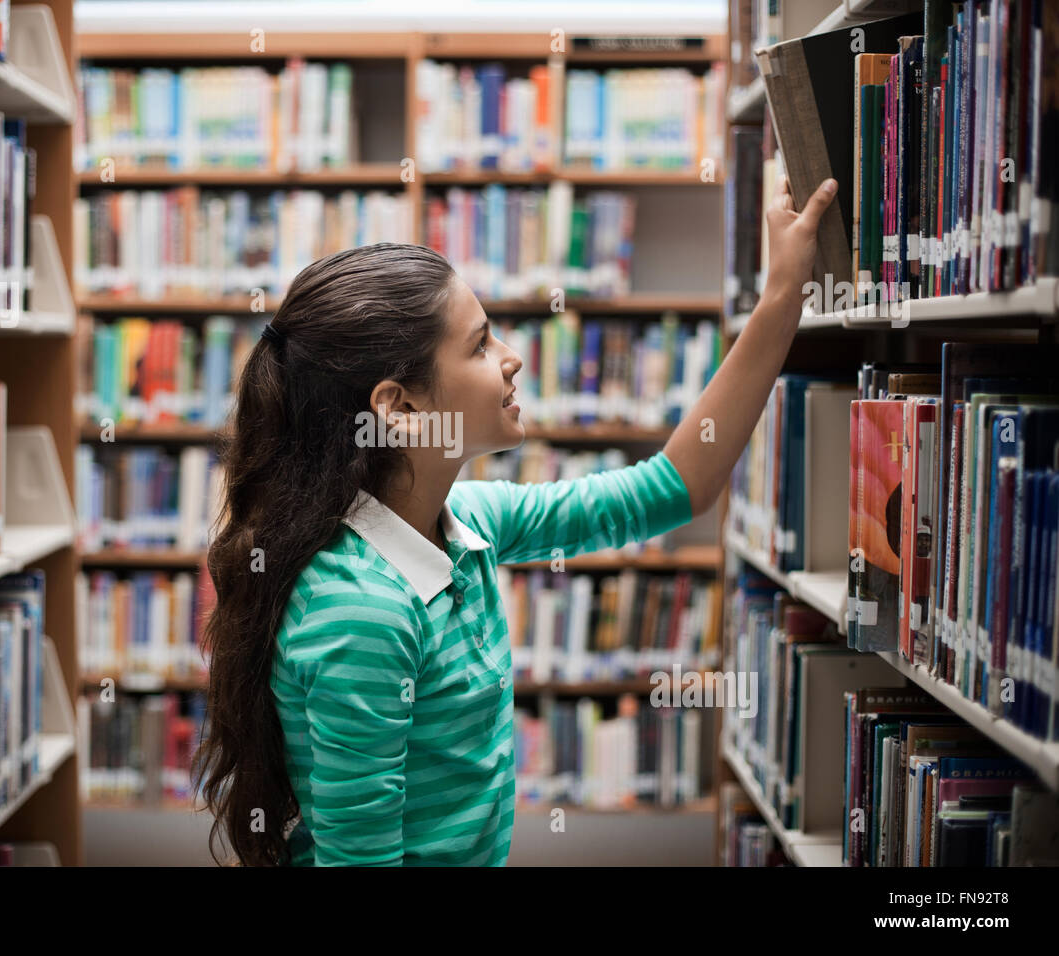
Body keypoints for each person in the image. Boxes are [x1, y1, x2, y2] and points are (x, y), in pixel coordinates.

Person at [190, 175, 840, 866]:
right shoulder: (364, 612)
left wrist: (780, 301)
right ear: (401, 408)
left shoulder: (466, 522)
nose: (513, 358)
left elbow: (676, 487)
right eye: (479, 345)